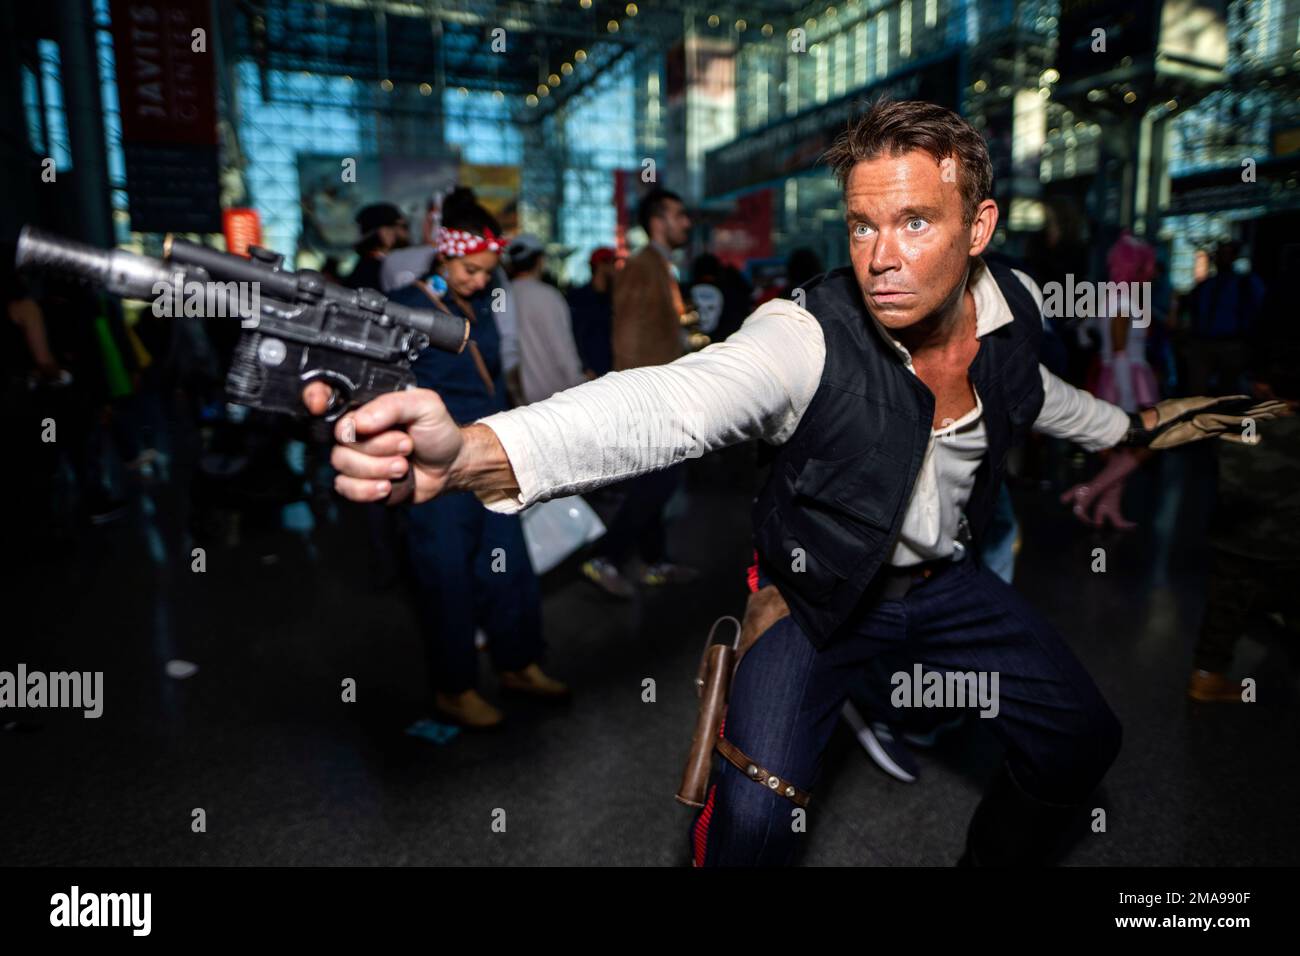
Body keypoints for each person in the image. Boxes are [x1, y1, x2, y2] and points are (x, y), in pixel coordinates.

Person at [305, 100, 1285, 865]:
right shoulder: (803, 333)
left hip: (946, 585)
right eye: (862, 226)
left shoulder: (1016, 307)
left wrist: (1130, 431)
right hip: (817, 599)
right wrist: (475, 449)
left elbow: (1047, 397)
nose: (882, 257)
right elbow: (670, 403)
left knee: (1082, 739)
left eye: (914, 221)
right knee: (752, 814)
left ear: (980, 224)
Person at [381, 200, 568, 729]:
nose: (478, 280)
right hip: (432, 463)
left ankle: (519, 663)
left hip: (485, 451)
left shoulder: (483, 303)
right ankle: (454, 687)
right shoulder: (403, 305)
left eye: (487, 272)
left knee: (508, 566)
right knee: (445, 576)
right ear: (443, 258)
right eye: (469, 270)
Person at [579, 188, 699, 598]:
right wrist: (635, 399)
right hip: (652, 398)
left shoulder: (663, 267)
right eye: (679, 214)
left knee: (657, 483)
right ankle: (606, 557)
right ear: (658, 221)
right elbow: (626, 338)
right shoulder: (641, 267)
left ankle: (653, 561)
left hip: (664, 391)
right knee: (658, 485)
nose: (687, 222)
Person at [1058, 232, 1160, 529]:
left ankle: (1108, 507)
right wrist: (1128, 399)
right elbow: (1118, 353)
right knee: (1148, 443)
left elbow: (1083, 329)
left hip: (1117, 376)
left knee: (1122, 449)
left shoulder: (1112, 295)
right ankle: (1090, 492)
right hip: (1125, 380)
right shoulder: (1124, 299)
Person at [505, 233, 589, 404]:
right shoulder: (548, 296)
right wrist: (581, 384)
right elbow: (562, 349)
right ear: (540, 261)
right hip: (554, 397)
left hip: (516, 401)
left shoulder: (500, 295)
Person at [568, 248, 617, 377]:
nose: (615, 268)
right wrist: (585, 367)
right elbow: (575, 335)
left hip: (613, 371)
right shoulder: (580, 298)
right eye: (612, 262)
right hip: (591, 373)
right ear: (601, 265)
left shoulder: (614, 296)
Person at [344, 202, 409, 292]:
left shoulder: (366, 269)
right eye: (404, 227)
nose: (407, 234)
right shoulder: (370, 274)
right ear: (385, 233)